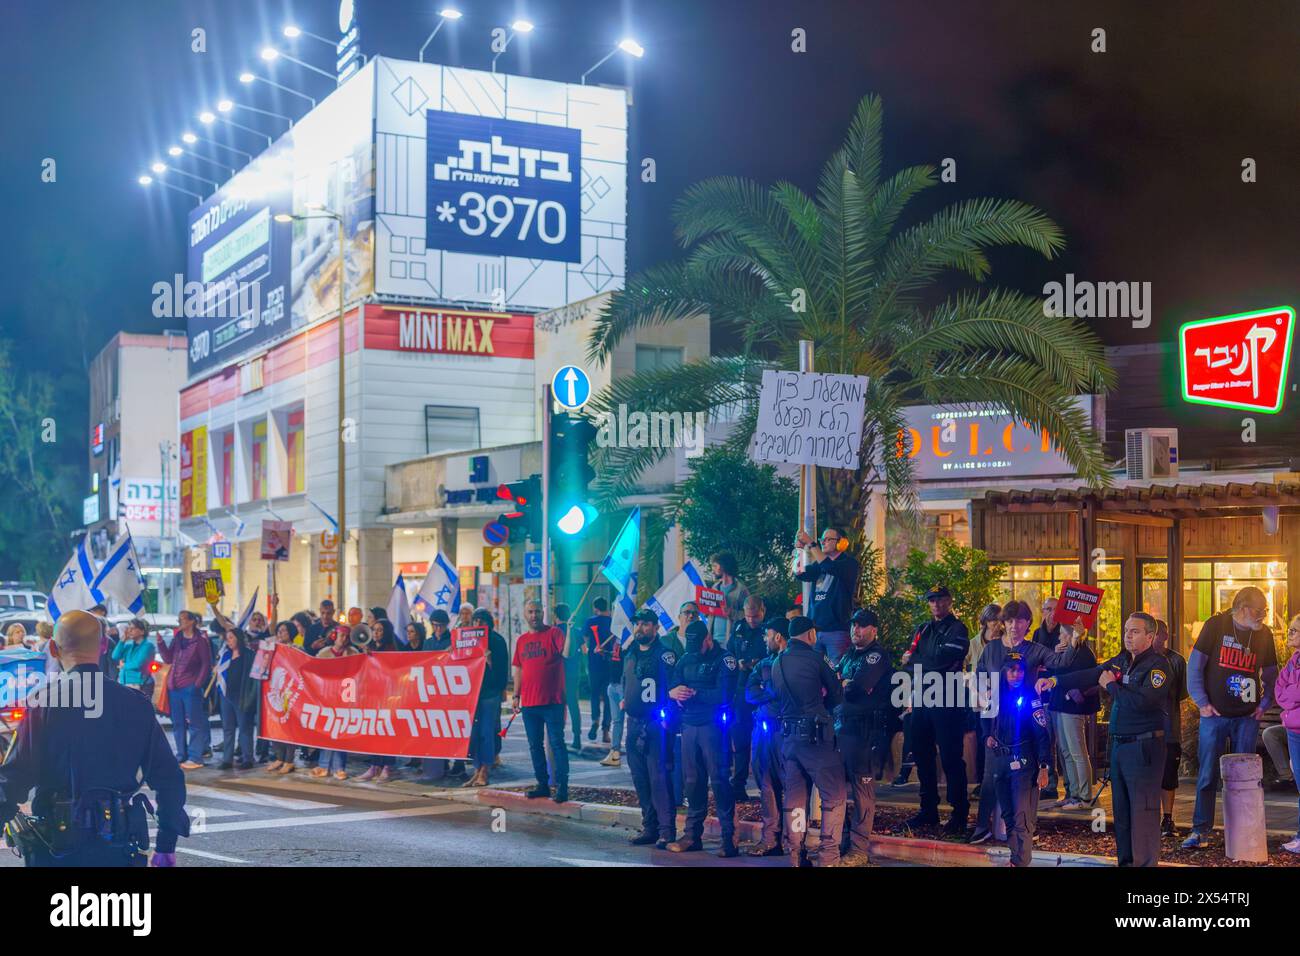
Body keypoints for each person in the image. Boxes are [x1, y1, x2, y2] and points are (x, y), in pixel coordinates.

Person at [0, 609, 189, 866]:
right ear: (103, 646)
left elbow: (13, 780)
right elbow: (169, 779)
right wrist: (166, 845)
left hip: (56, 849)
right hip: (118, 847)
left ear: (53, 649)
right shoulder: (136, 705)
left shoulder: (43, 705)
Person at [1042, 612, 1169, 867]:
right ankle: (1126, 862)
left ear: (1150, 636)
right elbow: (1092, 673)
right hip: (1120, 746)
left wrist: (1111, 686)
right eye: (1126, 630)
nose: (1128, 636)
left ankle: (1144, 864)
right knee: (1121, 813)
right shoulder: (1122, 660)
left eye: (1134, 631)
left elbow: (1142, 703)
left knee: (1142, 813)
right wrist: (1055, 680)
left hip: (1144, 747)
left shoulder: (1158, 667)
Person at [1182, 586, 1278, 850]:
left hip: (1246, 718)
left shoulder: (1264, 635)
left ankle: (1242, 833)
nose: (1263, 616)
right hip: (1214, 716)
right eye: (1259, 611)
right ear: (1243, 608)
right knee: (1206, 774)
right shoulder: (1216, 625)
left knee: (1243, 778)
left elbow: (1271, 675)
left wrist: (1265, 704)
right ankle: (1200, 830)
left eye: (1265, 611)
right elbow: (1195, 666)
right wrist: (1201, 703)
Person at [772, 615, 845, 866]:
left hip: (789, 740)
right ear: (811, 634)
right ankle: (828, 856)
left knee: (795, 801)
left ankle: (796, 854)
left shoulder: (776, 662)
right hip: (817, 739)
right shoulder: (816, 658)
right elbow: (837, 695)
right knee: (834, 796)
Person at [667, 619, 739, 857]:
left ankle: (729, 839)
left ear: (708, 639)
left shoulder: (724, 659)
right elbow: (673, 680)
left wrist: (695, 693)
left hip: (713, 727)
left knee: (719, 781)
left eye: (699, 645)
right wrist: (673, 691)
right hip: (689, 727)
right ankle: (691, 836)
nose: (695, 650)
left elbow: (725, 694)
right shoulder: (687, 657)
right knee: (692, 782)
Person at [902, 585, 970, 835]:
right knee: (922, 756)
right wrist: (922, 663)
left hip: (947, 699)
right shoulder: (923, 629)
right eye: (932, 600)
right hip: (922, 699)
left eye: (940, 599)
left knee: (952, 758)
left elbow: (940, 661)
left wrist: (917, 661)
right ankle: (928, 810)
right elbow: (910, 663)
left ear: (949, 601)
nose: (936, 604)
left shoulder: (958, 629)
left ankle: (959, 813)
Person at [834, 608, 897, 865]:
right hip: (843, 730)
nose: (855, 630)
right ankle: (845, 841)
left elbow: (855, 689)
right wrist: (842, 682)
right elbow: (834, 683)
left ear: (874, 629)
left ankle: (859, 849)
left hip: (866, 733)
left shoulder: (877, 656)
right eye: (853, 625)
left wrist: (844, 683)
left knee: (862, 792)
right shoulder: (849, 655)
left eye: (861, 626)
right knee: (839, 790)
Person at [984, 655, 1051, 867]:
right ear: (1004, 672)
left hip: (1024, 763)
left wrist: (1043, 767)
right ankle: (1015, 860)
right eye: (1011, 670)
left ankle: (1022, 862)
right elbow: (985, 719)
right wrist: (988, 736)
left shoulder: (1031, 697)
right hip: (1001, 762)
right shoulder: (996, 695)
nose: (1016, 674)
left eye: (1020, 670)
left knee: (1022, 819)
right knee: (1009, 816)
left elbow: (1042, 734)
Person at [621, 608, 679, 848]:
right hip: (633, 724)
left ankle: (667, 830)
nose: (640, 628)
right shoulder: (630, 653)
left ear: (655, 628)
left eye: (646, 624)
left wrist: (669, 720)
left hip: (656, 726)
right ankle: (650, 827)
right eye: (638, 624)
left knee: (659, 779)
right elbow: (626, 681)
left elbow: (675, 688)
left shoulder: (665, 655)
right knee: (640, 779)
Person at [512, 600, 571, 802]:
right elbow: (518, 669)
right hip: (529, 703)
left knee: (557, 744)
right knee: (534, 746)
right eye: (530, 612)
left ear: (543, 612)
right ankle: (542, 785)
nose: (534, 615)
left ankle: (563, 787)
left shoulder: (554, 633)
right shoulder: (521, 641)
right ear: (525, 614)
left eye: (537, 611)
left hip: (552, 701)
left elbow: (567, 653)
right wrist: (515, 695)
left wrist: (569, 631)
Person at [745, 617, 788, 856]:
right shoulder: (762, 663)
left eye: (768, 635)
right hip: (763, 730)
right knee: (767, 786)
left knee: (792, 786)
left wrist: (767, 690)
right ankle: (771, 839)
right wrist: (769, 692)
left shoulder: (792, 662)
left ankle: (791, 840)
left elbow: (784, 692)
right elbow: (749, 693)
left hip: (785, 730)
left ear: (778, 636)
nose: (765, 639)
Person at [1045, 621, 1099, 810]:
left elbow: (1090, 677)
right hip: (1059, 704)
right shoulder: (1063, 652)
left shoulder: (1084, 653)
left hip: (1072, 707)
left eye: (1062, 634)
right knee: (1066, 751)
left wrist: (1078, 691)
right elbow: (1053, 671)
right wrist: (1056, 653)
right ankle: (1073, 793)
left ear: (1070, 635)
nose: (1059, 637)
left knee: (1077, 751)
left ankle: (1084, 796)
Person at [794, 527, 860, 662]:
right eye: (821, 539)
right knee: (814, 674)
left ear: (841, 543)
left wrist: (812, 544)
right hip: (815, 631)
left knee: (836, 674)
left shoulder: (849, 564)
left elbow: (830, 567)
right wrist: (799, 551)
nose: (823, 542)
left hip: (836, 631)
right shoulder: (819, 565)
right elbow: (799, 573)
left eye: (828, 539)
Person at [158, 609, 213, 770]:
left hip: (190, 687)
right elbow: (168, 658)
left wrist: (197, 684)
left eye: (182, 619)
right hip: (174, 686)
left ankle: (195, 756)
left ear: (191, 621)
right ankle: (181, 754)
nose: (179, 622)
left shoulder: (200, 641)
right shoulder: (178, 638)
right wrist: (161, 643)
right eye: (179, 619)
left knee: (195, 723)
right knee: (178, 723)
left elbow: (206, 664)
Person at [727, 595, 767, 800]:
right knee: (741, 739)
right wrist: (739, 663)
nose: (752, 620)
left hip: (764, 690)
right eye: (749, 616)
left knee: (766, 741)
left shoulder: (769, 630)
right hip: (742, 689)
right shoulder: (738, 629)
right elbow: (728, 655)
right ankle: (738, 785)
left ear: (763, 611)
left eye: (756, 616)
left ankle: (767, 787)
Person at [464, 609, 510, 788]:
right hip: (473, 693)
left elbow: (502, 670)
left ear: (488, 623)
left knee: (487, 733)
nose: (477, 625)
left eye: (481, 621)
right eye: (475, 621)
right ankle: (477, 769)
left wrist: (490, 662)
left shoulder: (497, 641)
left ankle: (485, 769)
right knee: (474, 734)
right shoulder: (468, 639)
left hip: (490, 693)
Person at [1152, 618, 1188, 836]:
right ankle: (1149, 817)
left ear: (1165, 636)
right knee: (1148, 776)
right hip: (1145, 730)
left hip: (1169, 729)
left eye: (1158, 633)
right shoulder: (1137, 658)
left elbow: (1182, 693)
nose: (1155, 638)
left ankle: (1168, 819)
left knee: (1168, 776)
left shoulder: (1176, 661)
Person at [964, 604, 1003, 797]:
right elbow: (963, 666)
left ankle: (999, 778)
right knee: (982, 739)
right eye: (993, 621)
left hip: (999, 696)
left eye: (999, 621)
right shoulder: (974, 643)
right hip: (979, 697)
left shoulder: (1005, 642)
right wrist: (970, 681)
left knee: (998, 737)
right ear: (985, 622)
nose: (997, 625)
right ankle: (982, 781)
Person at [1271, 615, 1300, 854]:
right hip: (1293, 729)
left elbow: (1291, 692)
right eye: (1290, 630)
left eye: (1294, 631)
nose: (1289, 634)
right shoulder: (1294, 661)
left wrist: (1290, 693)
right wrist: (1291, 694)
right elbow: (1280, 691)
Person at [1033, 597, 1063, 799]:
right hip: (1039, 693)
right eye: (1048, 609)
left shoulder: (1065, 632)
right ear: (1043, 611)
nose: (1052, 613)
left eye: (1055, 609)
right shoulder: (1037, 633)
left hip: (1059, 693)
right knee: (1045, 739)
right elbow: (1037, 660)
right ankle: (1048, 784)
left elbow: (1063, 663)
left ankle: (1064, 785)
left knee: (1063, 743)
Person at [215, 628, 258, 771]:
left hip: (242, 696)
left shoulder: (249, 655)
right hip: (226, 695)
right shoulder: (226, 655)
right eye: (227, 638)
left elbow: (253, 677)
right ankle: (227, 759)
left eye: (231, 638)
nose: (229, 641)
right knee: (228, 728)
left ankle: (248, 758)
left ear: (238, 638)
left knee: (245, 727)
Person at [265, 621, 301, 774]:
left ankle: (289, 760)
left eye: (284, 631)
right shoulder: (273, 649)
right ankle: (279, 757)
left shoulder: (297, 649)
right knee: (275, 725)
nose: (280, 633)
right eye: (279, 631)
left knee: (289, 727)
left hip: (290, 692)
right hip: (274, 690)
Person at [582, 598, 614, 743]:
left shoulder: (590, 621)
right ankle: (606, 730)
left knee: (594, 695)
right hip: (609, 663)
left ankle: (595, 720)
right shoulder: (612, 622)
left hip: (594, 664)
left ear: (595, 608)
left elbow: (585, 639)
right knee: (608, 697)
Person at [553, 603, 582, 753]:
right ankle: (577, 738)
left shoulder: (554, 631)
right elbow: (584, 650)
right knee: (573, 705)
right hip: (573, 673)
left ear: (555, 616)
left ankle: (559, 738)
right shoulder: (576, 631)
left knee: (558, 706)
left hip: (558, 674)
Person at [708, 552, 749, 649]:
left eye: (715, 566)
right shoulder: (715, 587)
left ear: (723, 566)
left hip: (730, 641)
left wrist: (732, 613)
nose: (712, 569)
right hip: (713, 640)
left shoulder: (741, 589)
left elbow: (748, 615)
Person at [111, 618, 157, 696]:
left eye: (133, 628)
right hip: (124, 682)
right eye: (129, 628)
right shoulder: (129, 645)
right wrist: (122, 641)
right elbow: (115, 656)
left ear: (142, 631)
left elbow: (138, 664)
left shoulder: (148, 646)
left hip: (139, 684)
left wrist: (123, 665)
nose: (129, 631)